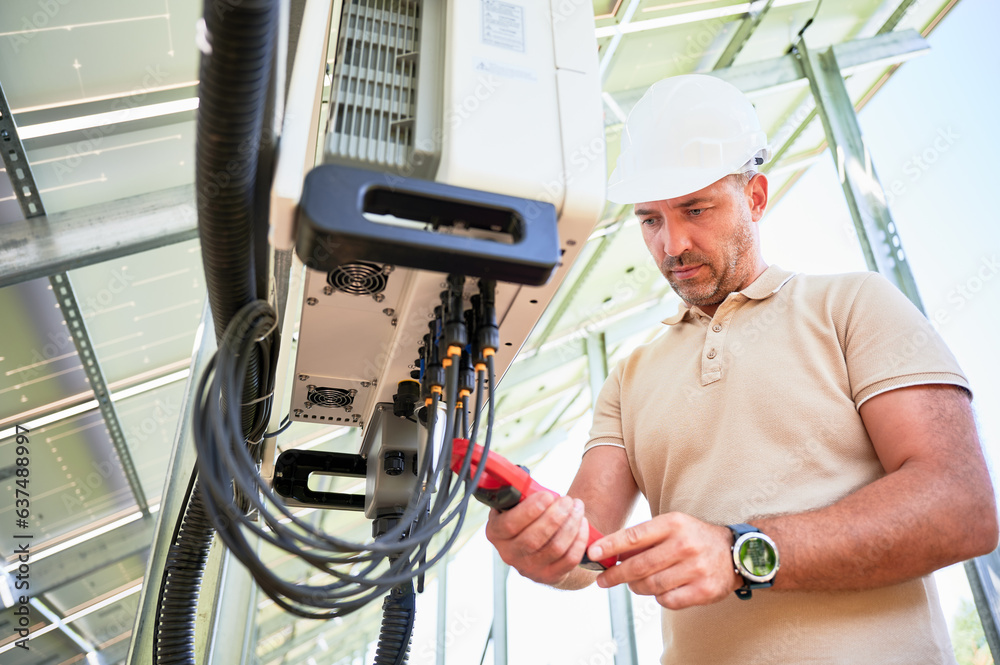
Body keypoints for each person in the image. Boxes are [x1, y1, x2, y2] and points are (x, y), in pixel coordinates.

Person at [485, 74, 998, 664]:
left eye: (695, 209)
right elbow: (586, 547)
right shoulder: (629, 375)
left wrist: (742, 553)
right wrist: (538, 541)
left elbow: (962, 504)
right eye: (650, 219)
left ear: (755, 197)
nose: (672, 244)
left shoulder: (853, 305)